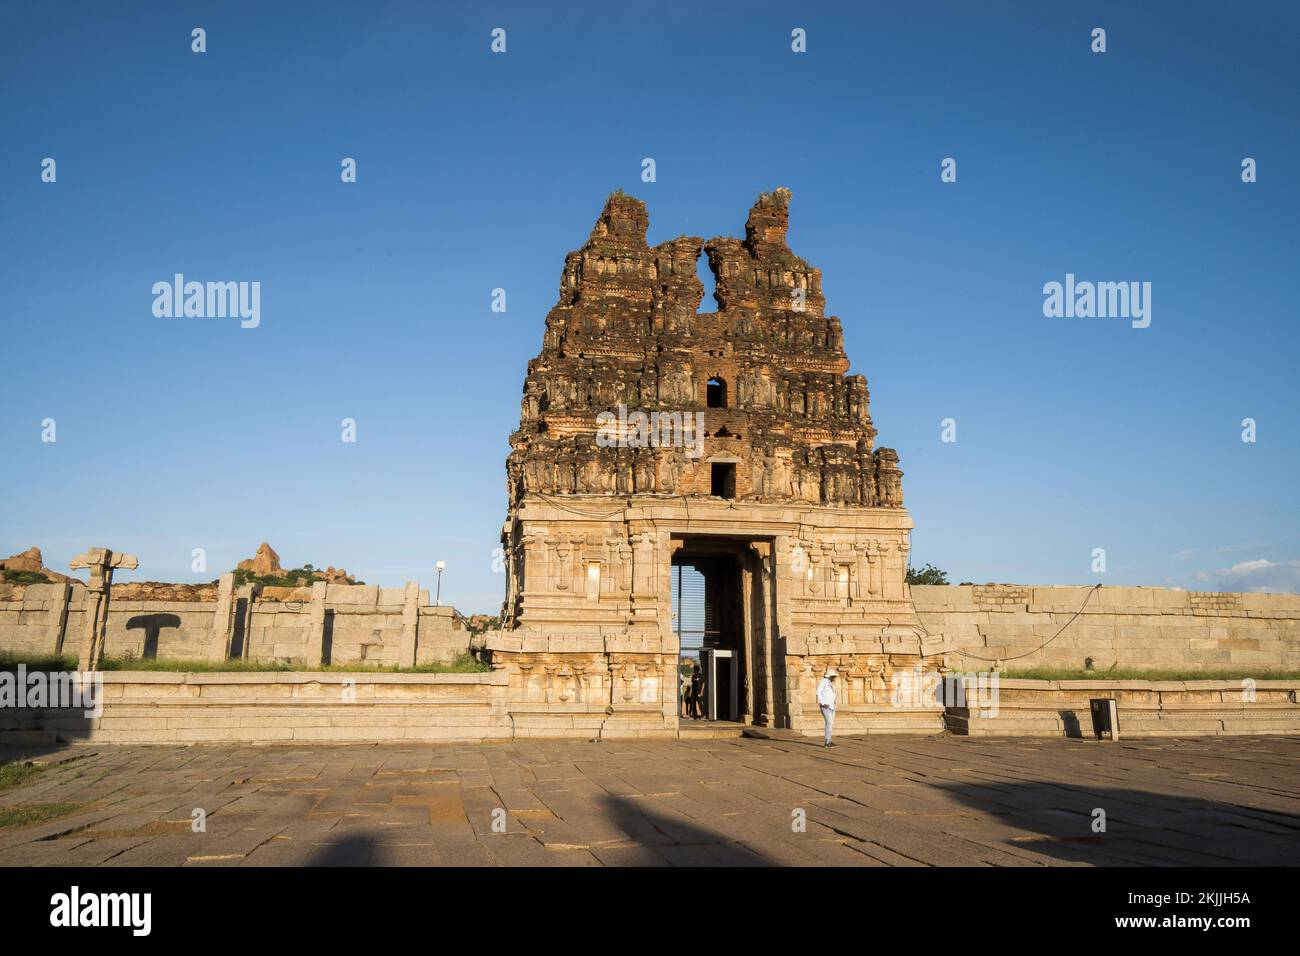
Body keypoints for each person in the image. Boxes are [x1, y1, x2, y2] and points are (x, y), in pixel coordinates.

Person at [816, 666, 838, 747]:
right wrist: (822, 702)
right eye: (834, 676)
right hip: (825, 706)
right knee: (829, 723)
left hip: (831, 706)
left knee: (830, 724)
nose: (835, 678)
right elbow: (818, 692)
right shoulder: (823, 681)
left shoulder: (830, 683)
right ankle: (827, 742)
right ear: (830, 676)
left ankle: (829, 740)